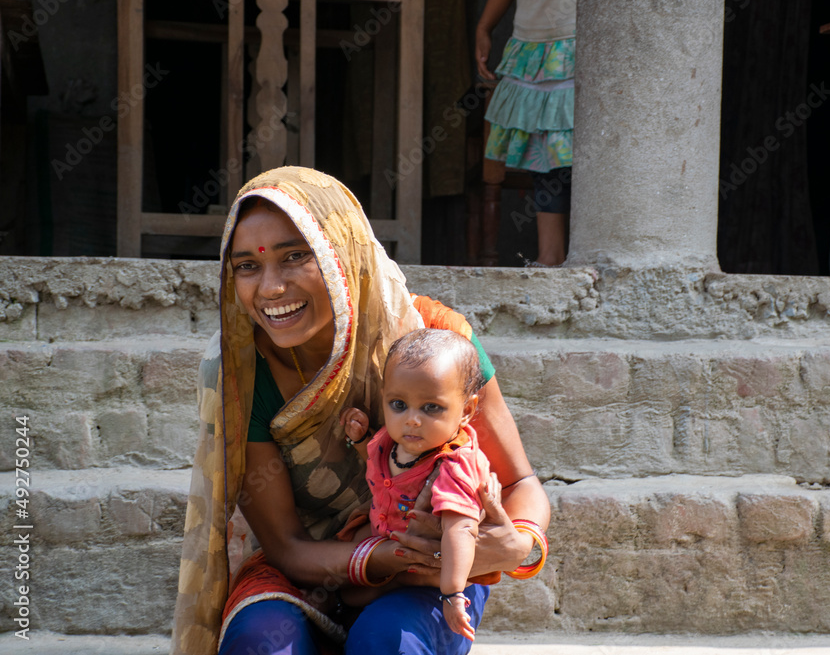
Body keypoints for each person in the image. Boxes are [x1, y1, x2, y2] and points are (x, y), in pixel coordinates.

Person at [170, 166, 551, 655]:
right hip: (308, 566)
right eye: (246, 266)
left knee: (386, 644)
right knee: (262, 644)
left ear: (342, 255)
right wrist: (379, 558)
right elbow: (287, 546)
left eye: (294, 257)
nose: (269, 287)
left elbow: (519, 484)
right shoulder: (242, 372)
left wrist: (521, 544)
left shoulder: (435, 339)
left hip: (433, 565)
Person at [341, 328, 494, 642]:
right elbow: (385, 470)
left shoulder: (454, 465)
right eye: (398, 404)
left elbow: (459, 530)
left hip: (429, 572)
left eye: (431, 408)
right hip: (387, 549)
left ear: (466, 410)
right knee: (339, 596)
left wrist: (452, 595)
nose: (412, 419)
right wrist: (359, 439)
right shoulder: (391, 439)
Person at [477, 0, 576, 267]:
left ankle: (589, 250)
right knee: (542, 153)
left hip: (576, 39)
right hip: (530, 44)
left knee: (574, 153)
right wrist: (484, 27)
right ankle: (550, 254)